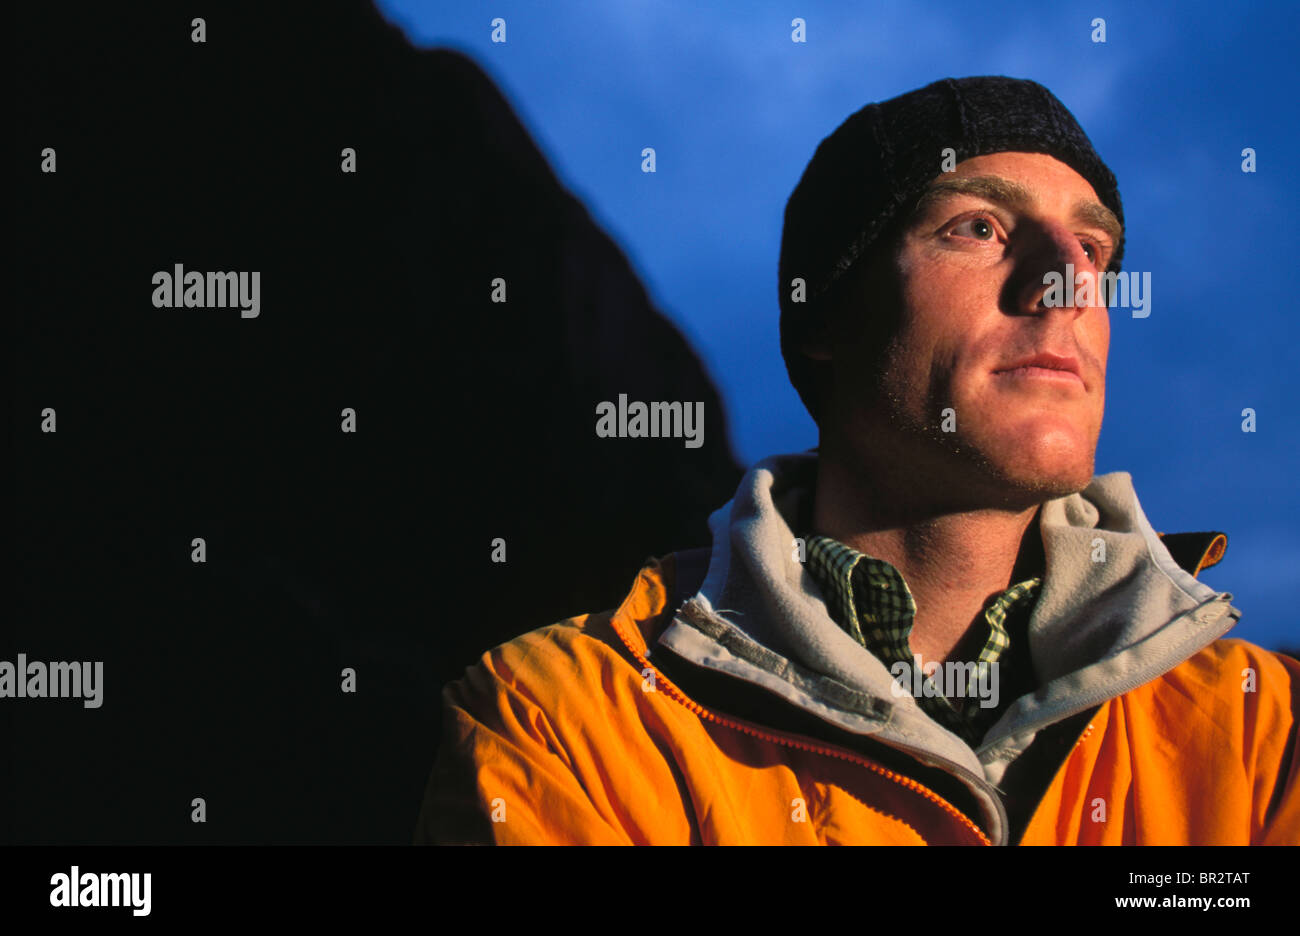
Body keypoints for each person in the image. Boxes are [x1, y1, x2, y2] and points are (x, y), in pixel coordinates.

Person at [415, 76, 1298, 845]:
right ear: (829, 318)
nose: (1065, 281)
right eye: (979, 227)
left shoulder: (1267, 735)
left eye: (1094, 248)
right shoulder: (567, 727)